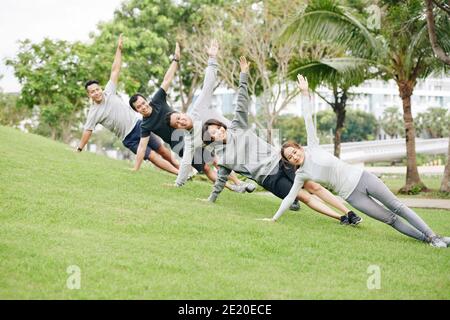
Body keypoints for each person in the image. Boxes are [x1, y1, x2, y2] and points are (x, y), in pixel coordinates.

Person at [264, 74, 449, 248]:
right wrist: (274, 218)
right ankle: (429, 240)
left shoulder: (313, 147)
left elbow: (307, 119)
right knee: (390, 219)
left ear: (299, 148)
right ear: (291, 162)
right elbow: (289, 198)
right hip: (352, 196)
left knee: (398, 207)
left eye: (294, 152)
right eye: (290, 157)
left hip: (363, 178)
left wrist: (304, 93)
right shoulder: (301, 175)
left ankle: (433, 236)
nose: (294, 156)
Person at [202, 57, 362, 224]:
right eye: (214, 132)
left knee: (313, 186)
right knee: (303, 196)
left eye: (219, 127)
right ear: (212, 139)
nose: (220, 131)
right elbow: (221, 180)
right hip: (268, 179)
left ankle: (349, 212)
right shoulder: (224, 159)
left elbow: (241, 102)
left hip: (281, 160)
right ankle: (342, 218)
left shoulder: (237, 127)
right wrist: (211, 199)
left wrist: (243, 75)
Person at [129, 43, 249, 193]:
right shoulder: (145, 125)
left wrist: (176, 60)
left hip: (194, 132)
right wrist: (136, 167)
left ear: (145, 100)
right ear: (137, 110)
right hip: (181, 145)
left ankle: (239, 183)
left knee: (214, 160)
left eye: (142, 103)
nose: (143, 107)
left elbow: (167, 80)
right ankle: (232, 188)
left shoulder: (157, 100)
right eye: (139, 107)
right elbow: (142, 147)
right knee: (205, 167)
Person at [77, 34, 179, 175]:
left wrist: (119, 49)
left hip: (139, 125)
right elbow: (87, 131)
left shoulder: (110, 91)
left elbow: (115, 70)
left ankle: (181, 169)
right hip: (128, 138)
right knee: (152, 157)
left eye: (97, 89)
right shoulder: (93, 113)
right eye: (92, 92)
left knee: (162, 150)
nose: (96, 93)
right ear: (89, 95)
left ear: (100, 88)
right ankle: (178, 174)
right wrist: (79, 149)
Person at [166, 39, 255, 193]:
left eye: (179, 117)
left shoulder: (197, 108)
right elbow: (186, 162)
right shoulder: (189, 140)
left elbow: (208, 84)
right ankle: (242, 184)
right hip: (227, 150)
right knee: (225, 161)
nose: (181, 122)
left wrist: (212, 59)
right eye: (177, 124)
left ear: (182, 113)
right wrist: (177, 184)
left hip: (237, 134)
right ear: (178, 129)